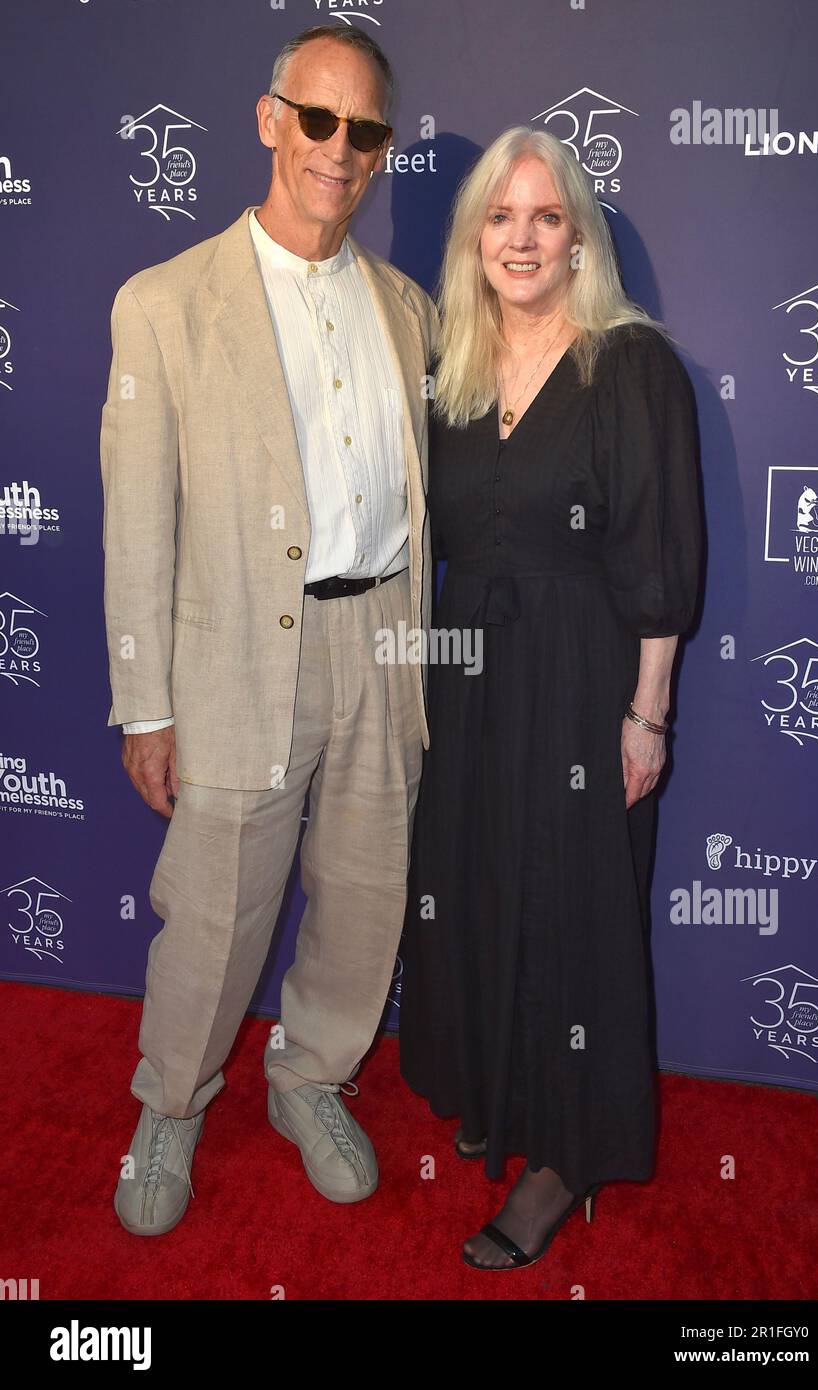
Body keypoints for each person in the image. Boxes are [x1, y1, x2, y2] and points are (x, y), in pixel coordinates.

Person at [100, 25, 439, 1235]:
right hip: (238, 656)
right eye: (317, 121)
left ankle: (309, 1078)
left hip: (384, 641)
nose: (339, 152)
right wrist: (148, 704)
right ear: (268, 119)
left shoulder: (408, 309)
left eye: (365, 133)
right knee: (217, 907)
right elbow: (136, 522)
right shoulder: (165, 305)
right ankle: (172, 1106)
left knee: (364, 897)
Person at [398, 125, 703, 1270]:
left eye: (545, 216)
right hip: (467, 669)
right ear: (474, 238)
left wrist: (647, 710)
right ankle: (497, 1086)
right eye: (498, 216)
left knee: (574, 901)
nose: (520, 238)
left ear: (579, 236)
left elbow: (659, 556)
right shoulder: (454, 370)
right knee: (475, 882)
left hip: (584, 674)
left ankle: (564, 1156)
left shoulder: (628, 365)